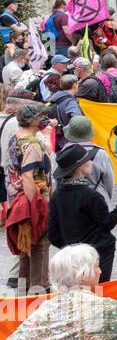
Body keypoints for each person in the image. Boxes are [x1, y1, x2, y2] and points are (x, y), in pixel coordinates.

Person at [48, 144, 117, 282]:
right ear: (80, 167)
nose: (91, 162)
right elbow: (107, 223)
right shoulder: (90, 195)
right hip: (98, 252)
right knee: (99, 290)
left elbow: (53, 235)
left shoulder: (57, 195)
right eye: (88, 160)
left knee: (76, 290)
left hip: (73, 255)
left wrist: (72, 248)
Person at [8, 103, 54, 292]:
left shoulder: (16, 137)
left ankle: (22, 292)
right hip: (33, 199)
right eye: (40, 116)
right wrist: (37, 206)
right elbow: (28, 176)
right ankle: (39, 291)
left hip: (17, 198)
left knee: (25, 248)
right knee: (39, 248)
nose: (43, 118)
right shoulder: (32, 144)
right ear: (32, 120)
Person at [61, 116, 114, 205]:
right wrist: (106, 196)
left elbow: (58, 178)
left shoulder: (64, 152)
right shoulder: (101, 153)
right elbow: (109, 181)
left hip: (70, 200)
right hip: (97, 197)